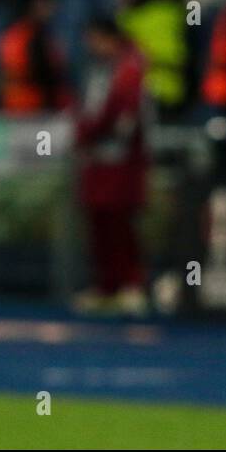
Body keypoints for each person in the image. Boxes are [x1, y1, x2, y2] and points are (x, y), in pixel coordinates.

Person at [73, 16, 150, 315]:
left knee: (120, 222)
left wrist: (89, 134)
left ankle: (131, 286)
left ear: (109, 37)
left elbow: (122, 115)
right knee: (99, 223)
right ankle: (107, 286)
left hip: (121, 159)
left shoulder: (130, 68)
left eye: (94, 39)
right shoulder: (98, 68)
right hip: (98, 157)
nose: (90, 46)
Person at [0, 0, 70, 113]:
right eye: (47, 6)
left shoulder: (18, 32)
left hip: (17, 101)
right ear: (35, 6)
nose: (52, 11)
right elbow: (41, 71)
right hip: (30, 103)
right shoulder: (29, 35)